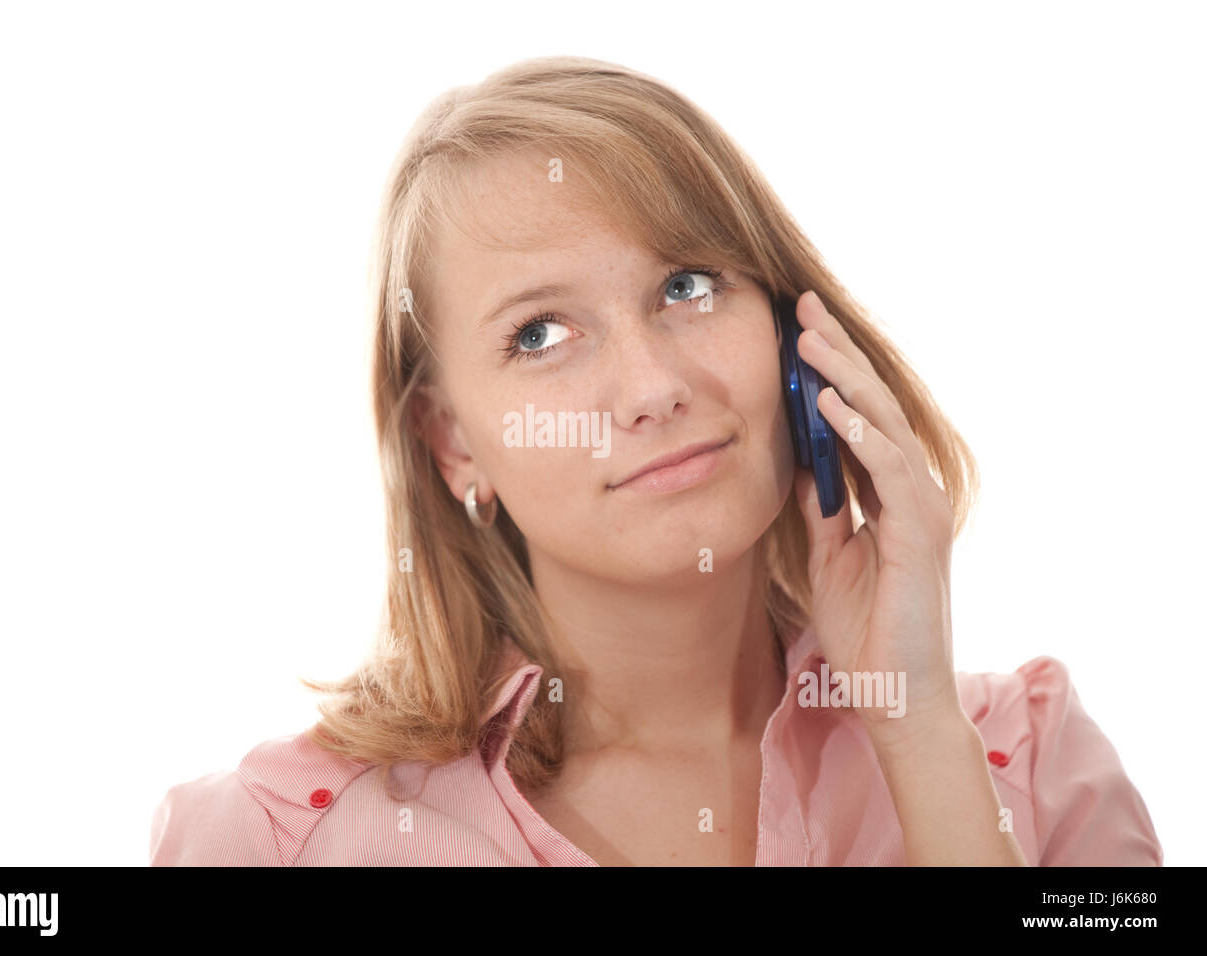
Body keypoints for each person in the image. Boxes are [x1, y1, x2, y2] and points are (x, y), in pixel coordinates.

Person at [150, 55, 1161, 866]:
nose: (650, 388)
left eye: (686, 284)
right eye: (540, 334)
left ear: (794, 332)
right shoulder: (275, 841)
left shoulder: (1031, 762)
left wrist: (919, 732)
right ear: (453, 439)